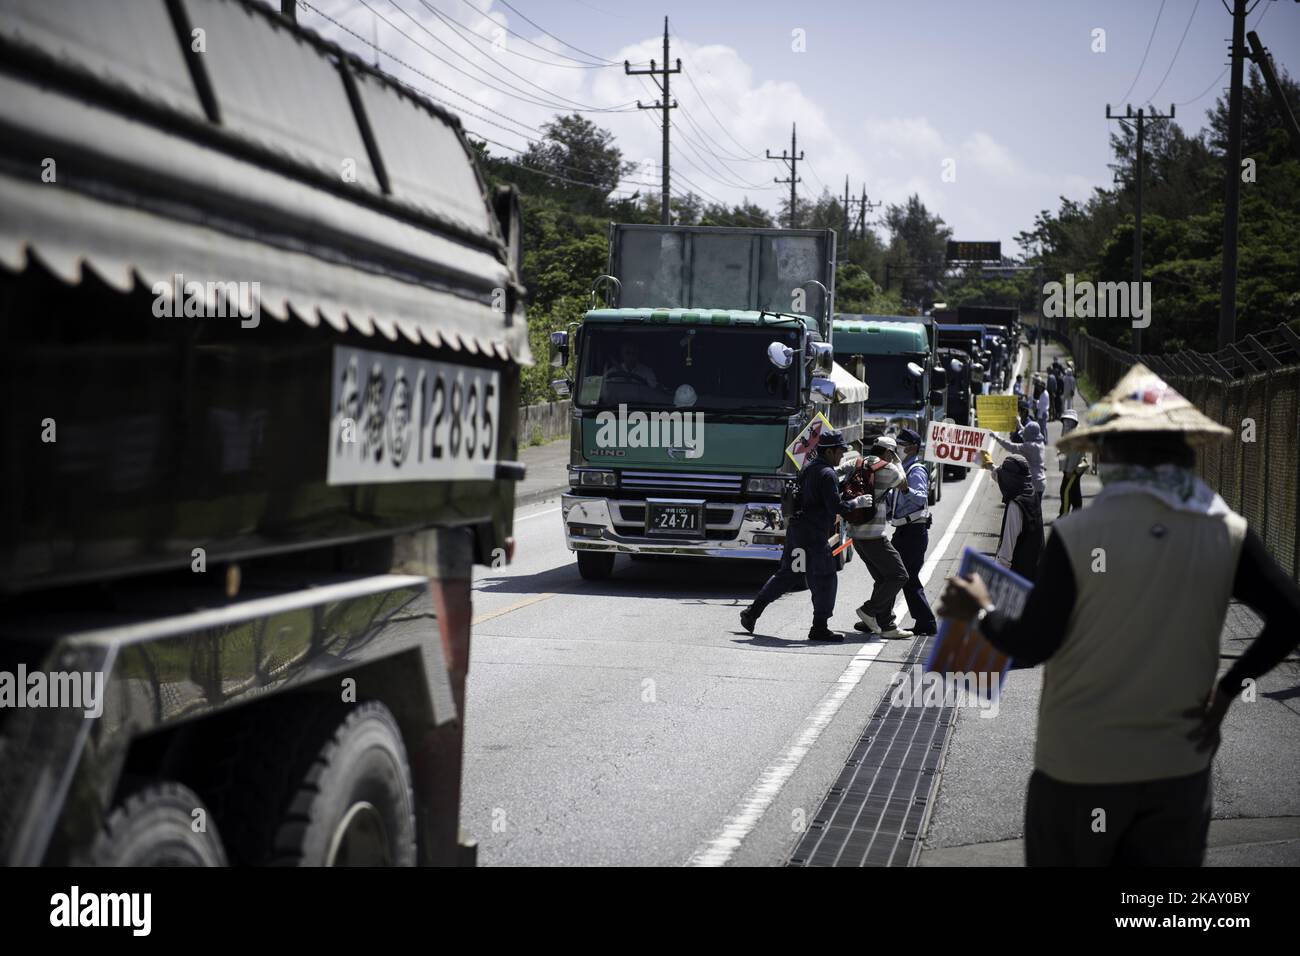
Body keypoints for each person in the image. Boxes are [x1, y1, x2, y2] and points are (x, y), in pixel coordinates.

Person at [939, 364, 1300, 866]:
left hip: (1078, 767)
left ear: (1111, 452)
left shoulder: (1080, 534)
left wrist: (979, 612)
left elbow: (1034, 643)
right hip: (1177, 770)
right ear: (1182, 449)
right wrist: (1227, 690)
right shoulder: (1225, 529)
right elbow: (1290, 617)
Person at [739, 430, 867, 642]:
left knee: (788, 574)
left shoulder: (808, 468)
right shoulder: (827, 474)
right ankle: (819, 627)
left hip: (797, 530)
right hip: (814, 535)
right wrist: (855, 503)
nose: (842, 455)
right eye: (840, 451)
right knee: (826, 578)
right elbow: (836, 506)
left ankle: (752, 612)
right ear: (830, 451)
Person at [847, 435, 910, 637]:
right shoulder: (889, 468)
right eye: (893, 454)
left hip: (856, 535)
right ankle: (869, 610)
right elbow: (904, 485)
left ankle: (887, 625)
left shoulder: (855, 463)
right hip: (875, 536)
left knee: (883, 578)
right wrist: (898, 463)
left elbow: (836, 474)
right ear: (888, 452)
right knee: (900, 575)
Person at [887, 428, 938, 635]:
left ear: (912, 447)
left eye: (902, 444)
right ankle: (880, 616)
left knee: (904, 576)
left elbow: (920, 498)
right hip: (903, 530)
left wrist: (905, 488)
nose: (898, 447)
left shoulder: (915, 470)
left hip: (913, 532)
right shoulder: (902, 468)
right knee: (891, 573)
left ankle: (926, 622)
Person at [984, 453, 1043, 580]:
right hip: (1035, 572)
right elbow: (1001, 476)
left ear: (1010, 479)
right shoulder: (1031, 492)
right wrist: (990, 466)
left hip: (1018, 579)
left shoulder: (1015, 506)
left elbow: (1006, 554)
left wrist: (995, 580)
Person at [993, 420, 1047, 502]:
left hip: (1032, 483)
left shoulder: (1029, 447)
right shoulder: (1040, 443)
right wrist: (1019, 425)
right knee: (1036, 510)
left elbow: (1011, 447)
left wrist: (997, 438)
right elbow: (1029, 432)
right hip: (1041, 481)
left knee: (1028, 509)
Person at [1056, 409, 1088, 515]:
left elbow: (1074, 455)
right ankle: (1076, 514)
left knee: (1065, 492)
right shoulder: (1069, 433)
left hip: (1072, 470)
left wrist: (1069, 470)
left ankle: (1064, 515)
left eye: (1069, 421)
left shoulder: (1075, 436)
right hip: (1071, 470)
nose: (1066, 423)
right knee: (1074, 492)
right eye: (1065, 421)